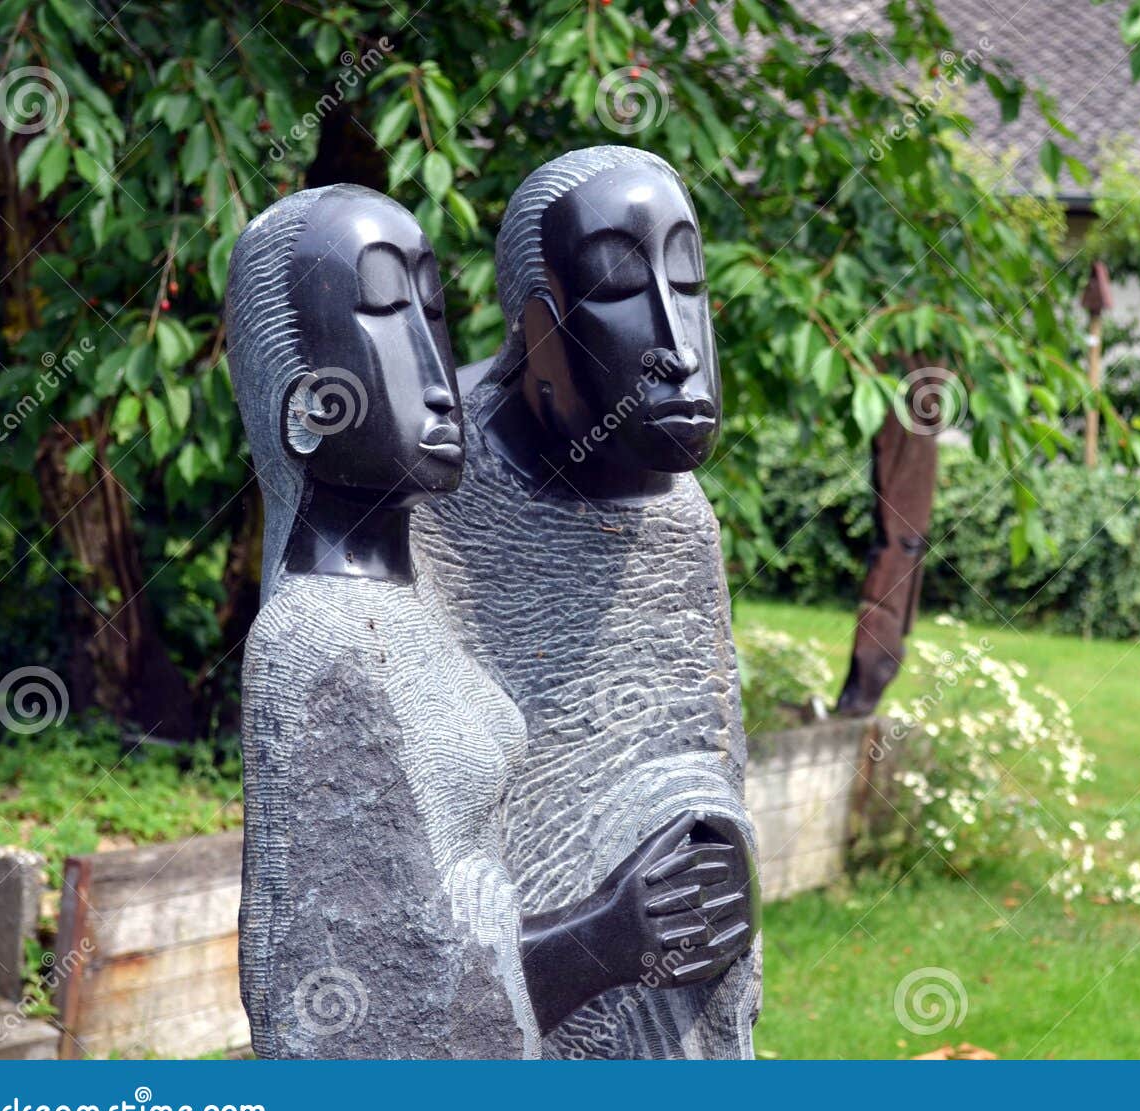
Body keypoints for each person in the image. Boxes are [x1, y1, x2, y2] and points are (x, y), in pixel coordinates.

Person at [228, 183, 748, 1058]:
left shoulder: (400, 621)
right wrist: (606, 939)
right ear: (314, 407)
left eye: (434, 317)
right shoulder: (319, 641)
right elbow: (355, 1017)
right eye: (393, 321)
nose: (444, 379)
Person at [414, 146, 761, 1059]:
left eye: (686, 279)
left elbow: (706, 762)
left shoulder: (679, 519)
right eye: (614, 288)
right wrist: (600, 940)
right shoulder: (426, 507)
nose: (678, 347)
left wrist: (717, 872)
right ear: (535, 327)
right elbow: (396, 920)